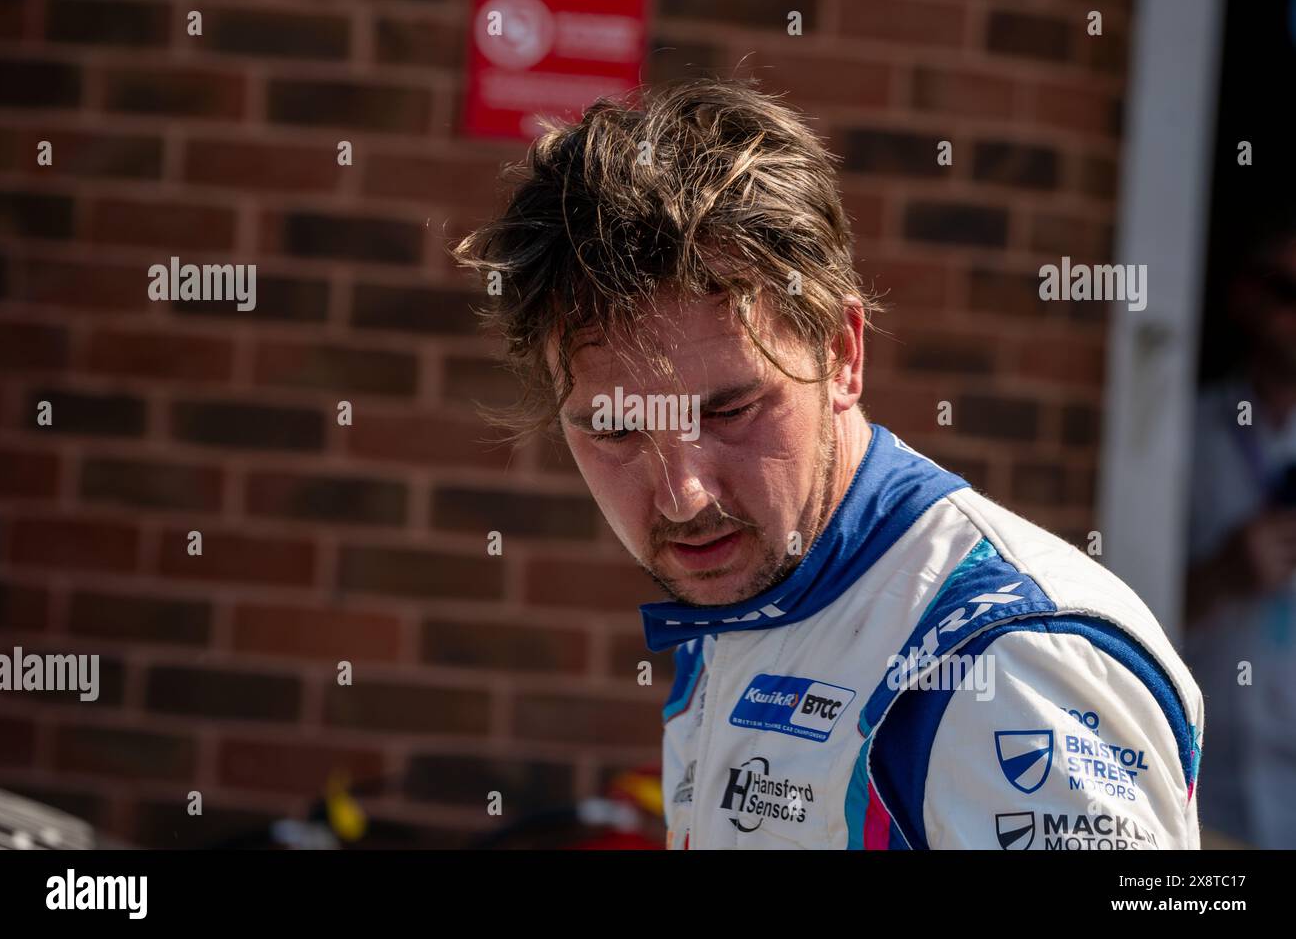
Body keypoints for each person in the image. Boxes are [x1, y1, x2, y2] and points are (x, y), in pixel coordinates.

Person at [452, 78, 1204, 849]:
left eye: (731, 410)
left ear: (842, 353)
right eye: (614, 431)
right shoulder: (748, 595)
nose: (683, 495)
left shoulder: (1003, 664)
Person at [1184, 209, 1296, 848]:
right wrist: (1223, 574)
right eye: (1288, 292)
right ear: (1245, 297)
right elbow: (1126, 602)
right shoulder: (1177, 437)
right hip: (1205, 787)